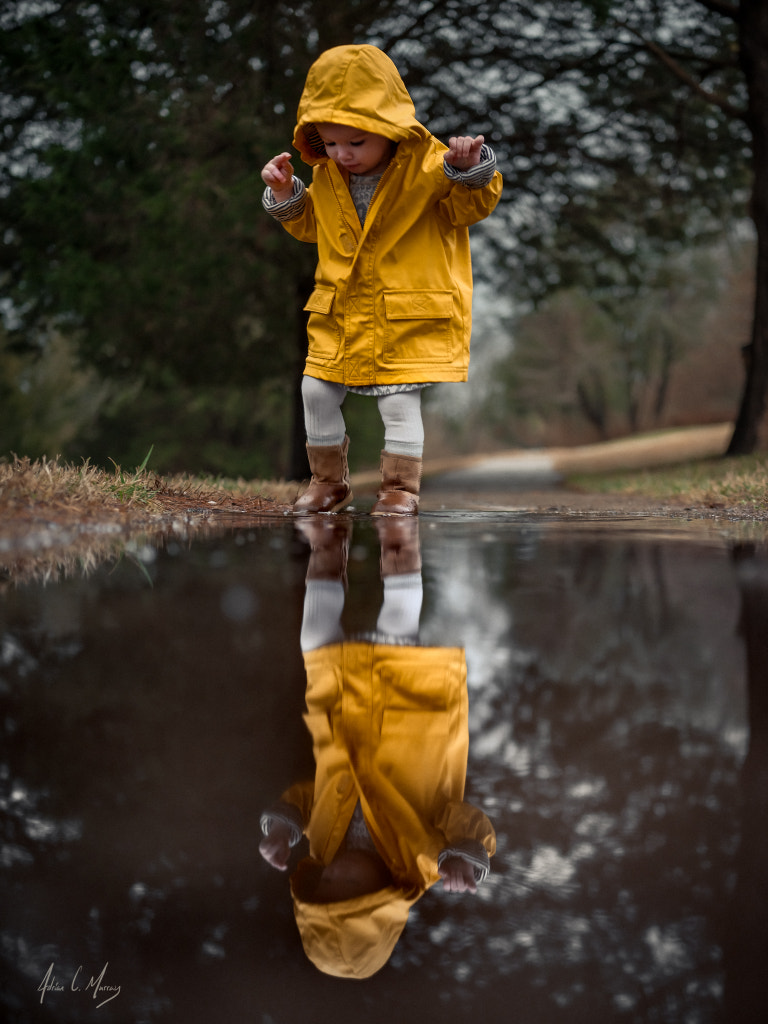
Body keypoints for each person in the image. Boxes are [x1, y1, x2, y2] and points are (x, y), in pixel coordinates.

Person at [261, 44, 503, 516]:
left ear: (388, 128)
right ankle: (327, 482)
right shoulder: (328, 177)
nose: (342, 154)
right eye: (330, 143)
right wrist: (287, 193)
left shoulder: (433, 167)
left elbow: (468, 208)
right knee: (315, 389)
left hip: (402, 310)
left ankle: (400, 490)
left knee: (397, 400)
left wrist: (469, 171)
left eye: (355, 141)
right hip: (341, 309)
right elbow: (314, 227)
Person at [259, 517, 496, 978]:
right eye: (348, 885)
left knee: (315, 641)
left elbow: (311, 796)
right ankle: (399, 527)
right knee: (397, 623)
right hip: (400, 719)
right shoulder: (422, 859)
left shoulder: (323, 846)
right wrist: (467, 854)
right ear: (381, 895)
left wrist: (284, 826)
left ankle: (326, 538)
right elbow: (461, 818)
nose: (336, 870)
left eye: (325, 881)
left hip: (343, 714)